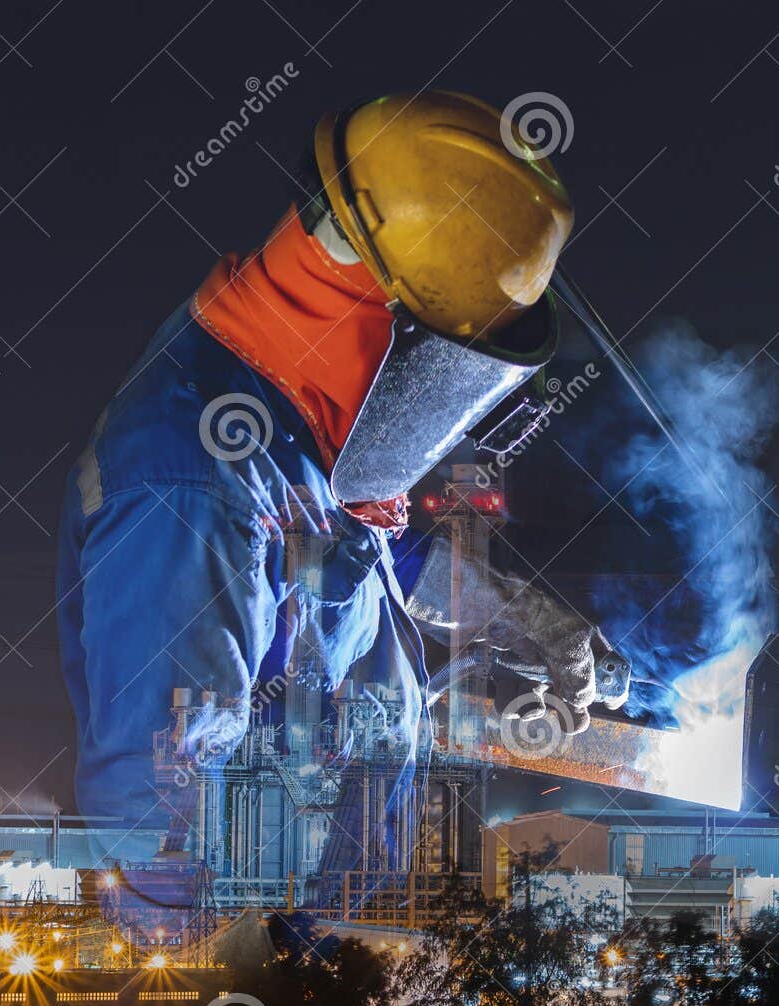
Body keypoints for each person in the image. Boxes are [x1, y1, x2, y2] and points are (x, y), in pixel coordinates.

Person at [57, 91, 623, 911]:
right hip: (282, 985)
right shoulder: (192, 486)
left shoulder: (302, 408)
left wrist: (523, 617)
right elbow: (163, 841)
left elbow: (353, 569)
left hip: (349, 953)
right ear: (396, 320)